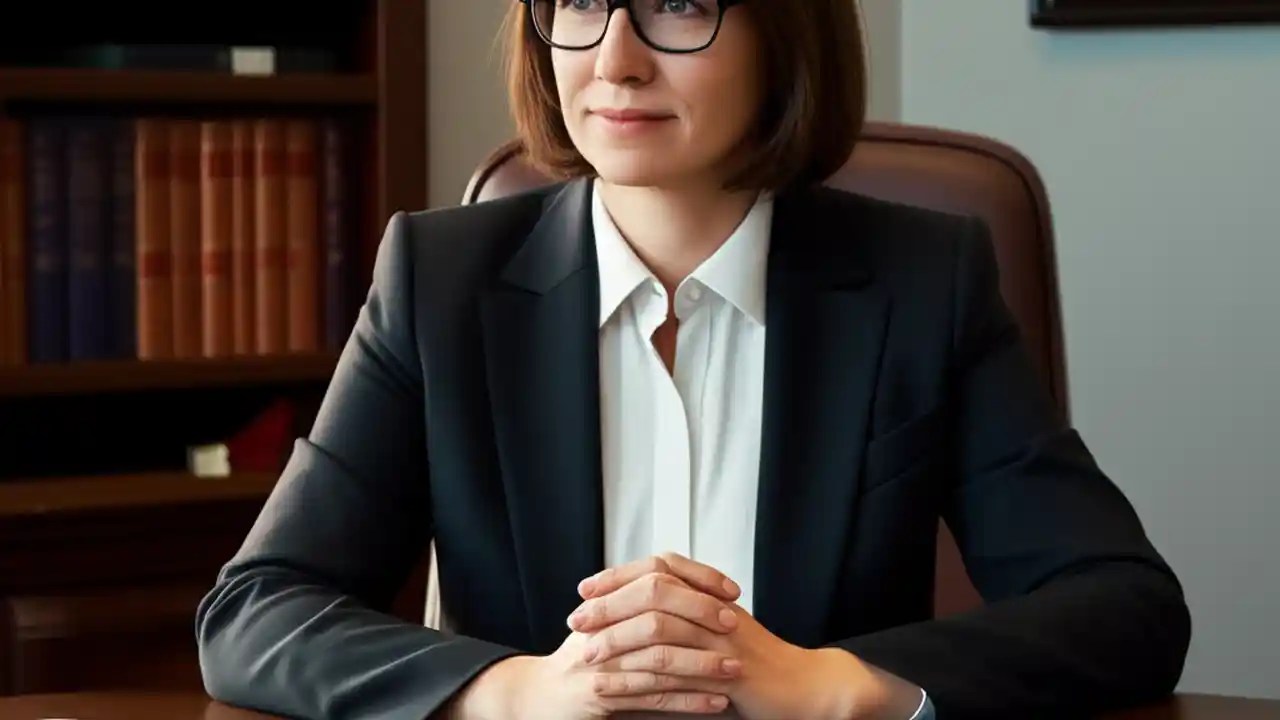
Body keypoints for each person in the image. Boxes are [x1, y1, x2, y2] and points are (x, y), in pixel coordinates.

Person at [194, 0, 1192, 718]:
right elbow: (255, 612)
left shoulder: (920, 284)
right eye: (577, 4)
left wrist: (832, 686)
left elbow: (1121, 608)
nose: (614, 60)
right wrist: (515, 694)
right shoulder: (439, 281)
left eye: (678, 7)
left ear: (782, 34)